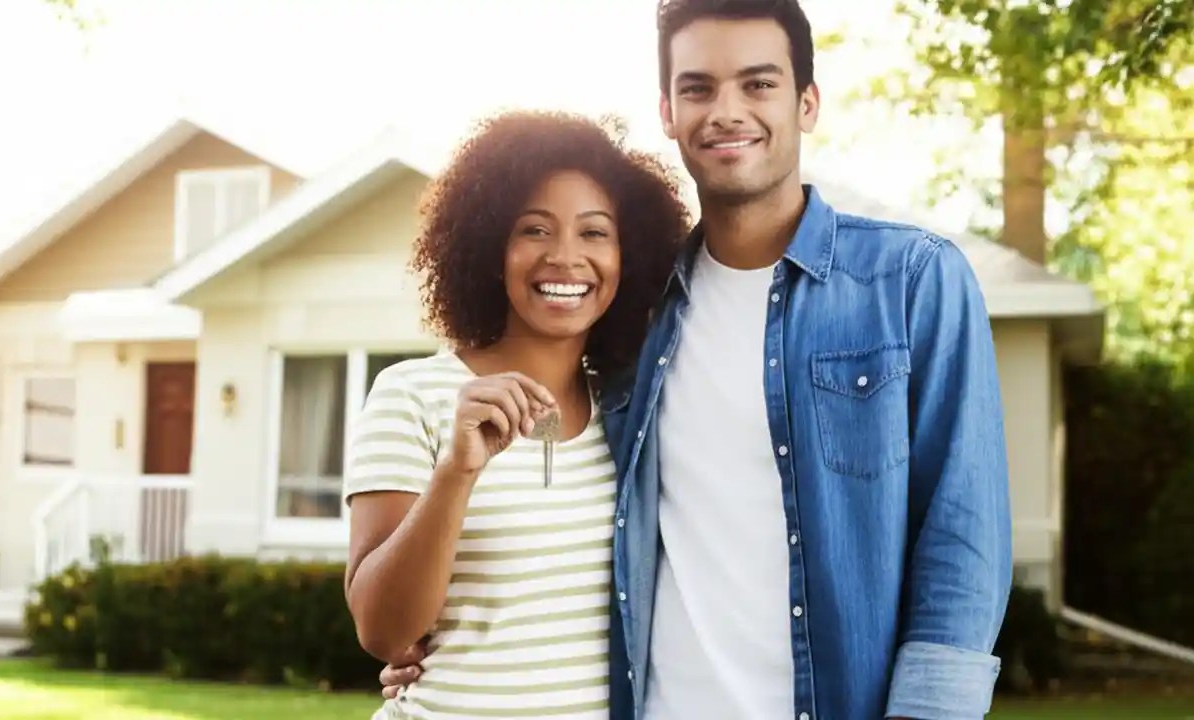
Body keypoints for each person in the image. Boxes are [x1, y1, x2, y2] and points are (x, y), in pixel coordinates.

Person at [381, 1, 1014, 719]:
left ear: (807, 102)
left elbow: (962, 549)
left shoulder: (911, 282)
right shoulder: (633, 314)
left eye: (759, 84)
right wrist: (432, 640)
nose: (727, 111)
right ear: (667, 111)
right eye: (698, 88)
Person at [343, 110, 689, 720]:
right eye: (534, 230)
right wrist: (456, 471)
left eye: (594, 233)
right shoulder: (411, 394)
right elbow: (382, 629)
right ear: (489, 246)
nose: (564, 257)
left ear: (626, 255)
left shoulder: (633, 415)